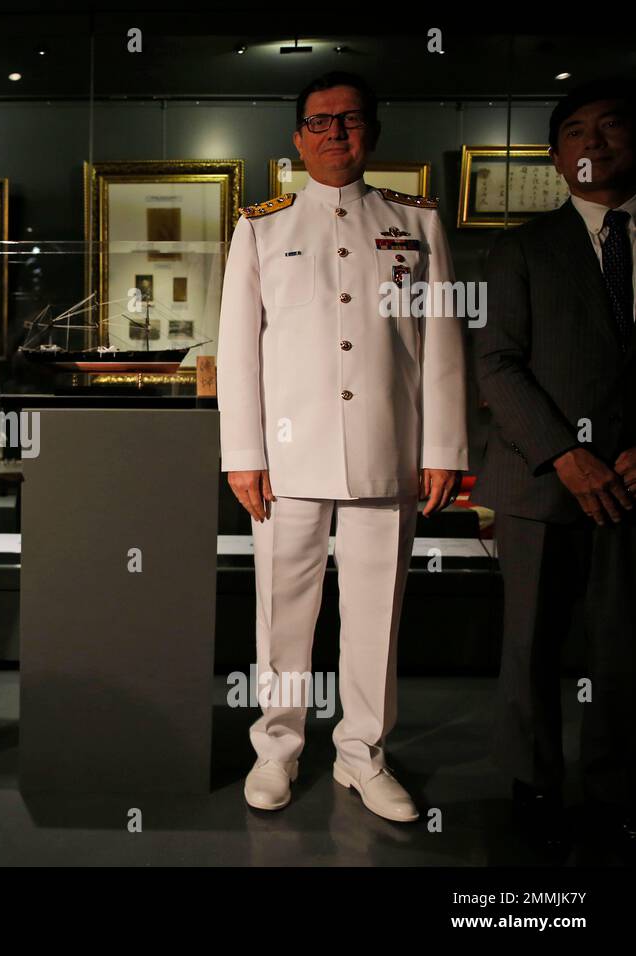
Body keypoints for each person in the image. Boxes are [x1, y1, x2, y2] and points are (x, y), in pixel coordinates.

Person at [217, 71, 467, 822]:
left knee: (374, 617)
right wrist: (244, 453)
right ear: (298, 138)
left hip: (386, 452)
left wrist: (446, 445)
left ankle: (363, 755)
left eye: (350, 121)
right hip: (288, 462)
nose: (335, 134)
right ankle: (277, 749)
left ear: (372, 133)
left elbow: (444, 342)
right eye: (320, 123)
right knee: (283, 616)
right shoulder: (263, 226)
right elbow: (239, 350)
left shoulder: (416, 222)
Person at [476, 79, 636, 859]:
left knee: (626, 648)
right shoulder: (521, 249)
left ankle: (615, 788)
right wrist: (566, 454)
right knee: (530, 645)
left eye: (610, 128)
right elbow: (498, 366)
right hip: (542, 483)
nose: (594, 145)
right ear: (554, 157)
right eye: (576, 132)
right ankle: (533, 783)